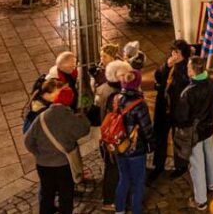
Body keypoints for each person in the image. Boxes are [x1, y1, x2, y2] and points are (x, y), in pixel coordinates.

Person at [23, 79, 91, 214]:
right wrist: (82, 116)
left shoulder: (41, 116)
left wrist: (40, 154)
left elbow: (28, 141)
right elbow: (84, 130)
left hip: (43, 165)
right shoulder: (70, 118)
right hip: (63, 165)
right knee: (66, 195)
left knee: (47, 194)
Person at [175, 56, 213, 211]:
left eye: (189, 67)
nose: (187, 69)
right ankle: (212, 183)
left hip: (194, 132)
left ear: (193, 70)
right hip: (208, 127)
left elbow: (182, 118)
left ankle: (200, 200)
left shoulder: (188, 92)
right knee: (210, 154)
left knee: (197, 164)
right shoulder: (212, 83)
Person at [110, 65, 155, 214]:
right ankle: (136, 210)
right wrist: (152, 144)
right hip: (136, 148)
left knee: (123, 178)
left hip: (119, 145)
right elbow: (146, 127)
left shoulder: (116, 99)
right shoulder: (139, 104)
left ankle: (119, 209)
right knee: (138, 181)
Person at [95, 60, 133, 208]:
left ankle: (109, 198)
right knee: (115, 169)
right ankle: (112, 200)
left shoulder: (102, 88)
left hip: (106, 135)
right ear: (114, 76)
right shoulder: (118, 95)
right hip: (115, 137)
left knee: (111, 168)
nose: (126, 77)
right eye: (123, 74)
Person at [151, 40, 192, 180]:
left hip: (177, 109)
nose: (174, 55)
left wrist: (177, 67)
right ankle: (158, 165)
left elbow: (184, 84)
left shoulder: (187, 67)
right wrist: (166, 66)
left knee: (178, 138)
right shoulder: (168, 64)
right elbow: (157, 76)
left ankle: (180, 166)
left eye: (178, 52)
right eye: (173, 51)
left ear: (184, 55)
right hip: (163, 106)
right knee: (160, 135)